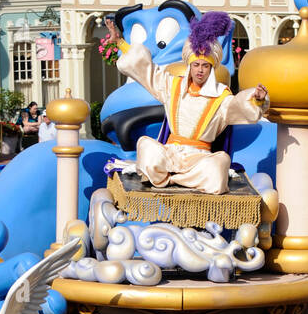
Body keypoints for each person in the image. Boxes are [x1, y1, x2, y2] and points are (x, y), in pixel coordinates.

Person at [107, 10, 269, 195]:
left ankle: (172, 179)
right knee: (146, 147)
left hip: (200, 158)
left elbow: (240, 106)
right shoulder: (172, 86)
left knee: (219, 166)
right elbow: (146, 70)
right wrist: (120, 43)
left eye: (205, 66)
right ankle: (173, 177)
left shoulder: (221, 97)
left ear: (211, 68)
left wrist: (257, 99)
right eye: (196, 65)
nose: (200, 70)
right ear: (190, 66)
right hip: (170, 154)